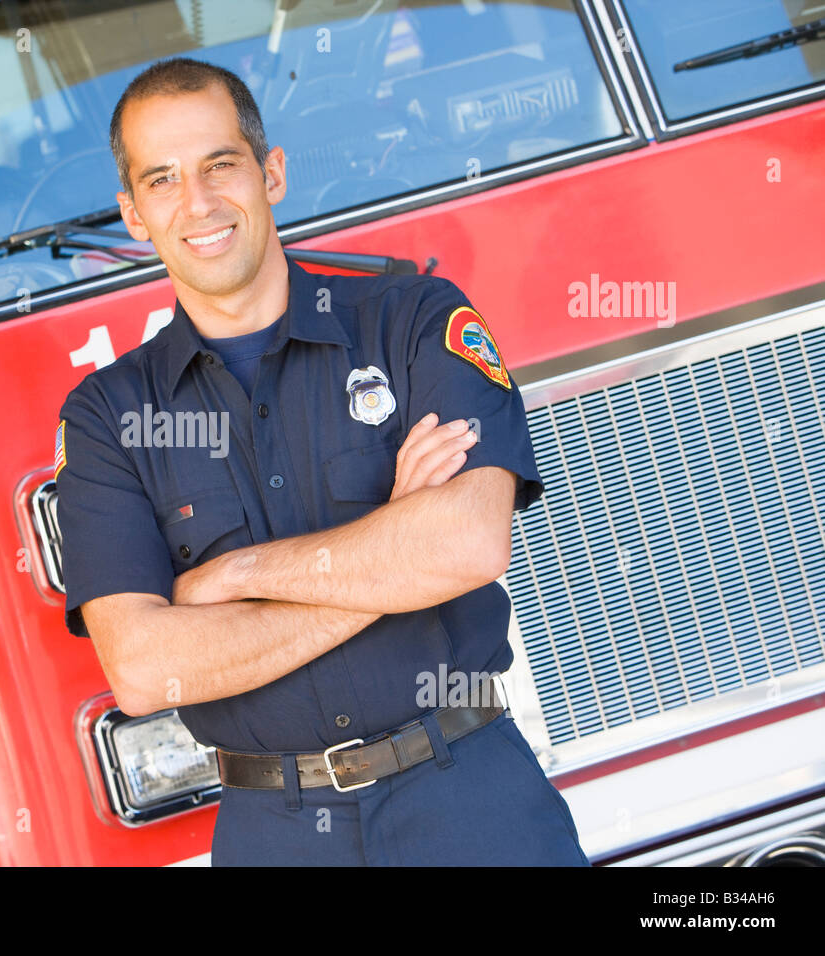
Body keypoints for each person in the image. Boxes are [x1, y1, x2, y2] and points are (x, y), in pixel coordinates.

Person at [54, 56, 588, 866]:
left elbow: (465, 547)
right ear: (133, 213)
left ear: (271, 172)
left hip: (469, 798)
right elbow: (145, 671)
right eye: (162, 180)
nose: (197, 204)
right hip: (274, 831)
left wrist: (232, 579)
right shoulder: (108, 418)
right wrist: (390, 547)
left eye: (219, 165)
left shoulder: (412, 321)